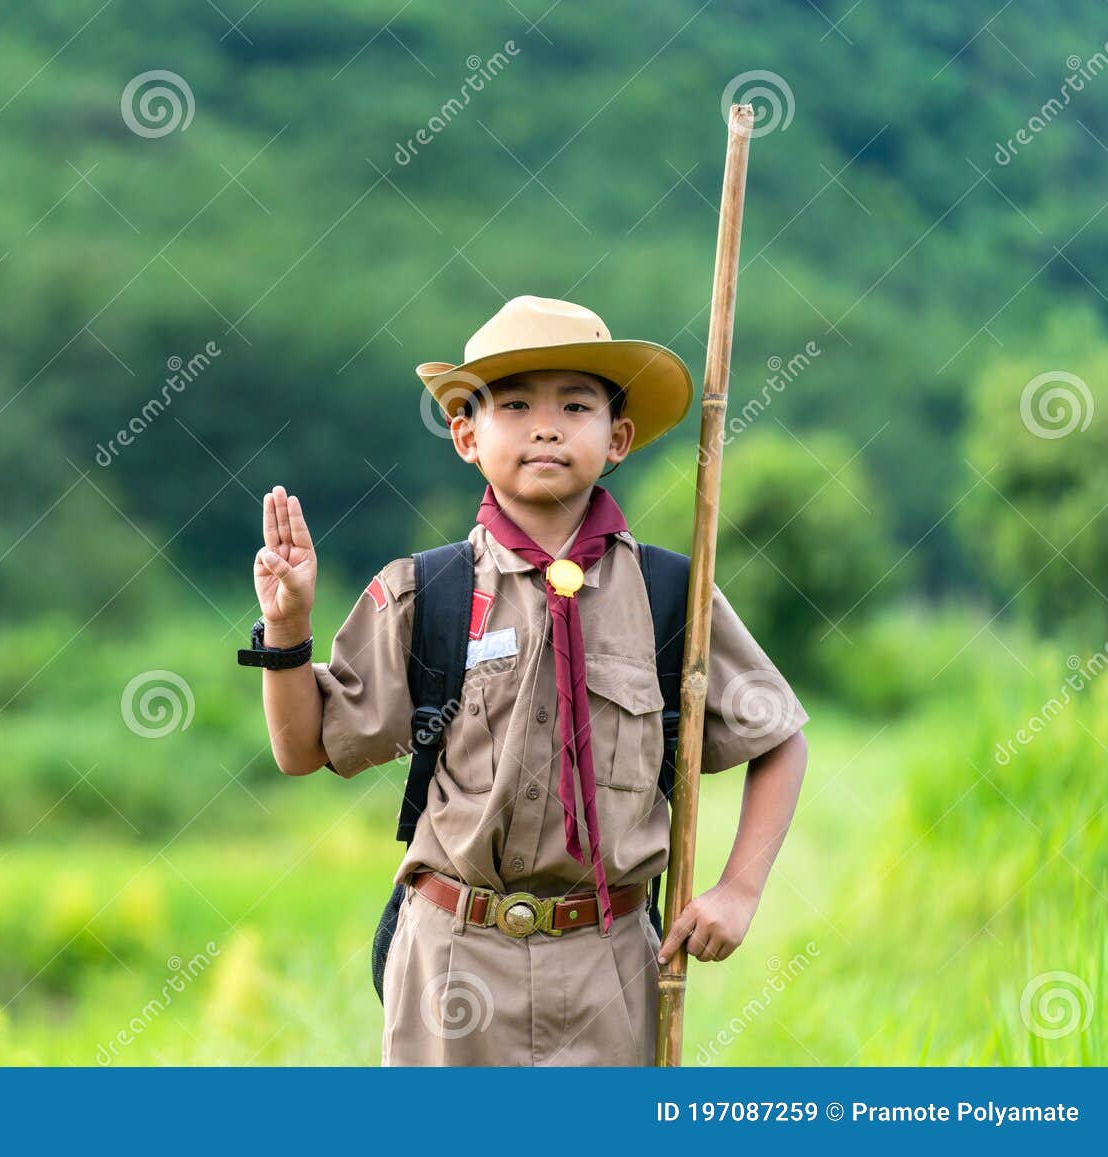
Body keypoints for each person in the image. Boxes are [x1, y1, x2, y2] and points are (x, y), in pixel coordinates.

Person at [245, 295, 809, 1065]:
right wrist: (287, 629)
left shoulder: (673, 595)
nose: (546, 424)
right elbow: (303, 747)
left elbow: (778, 738)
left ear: (617, 438)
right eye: (515, 403)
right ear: (467, 435)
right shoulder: (426, 591)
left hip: (610, 962)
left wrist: (739, 890)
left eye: (575, 404)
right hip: (453, 959)